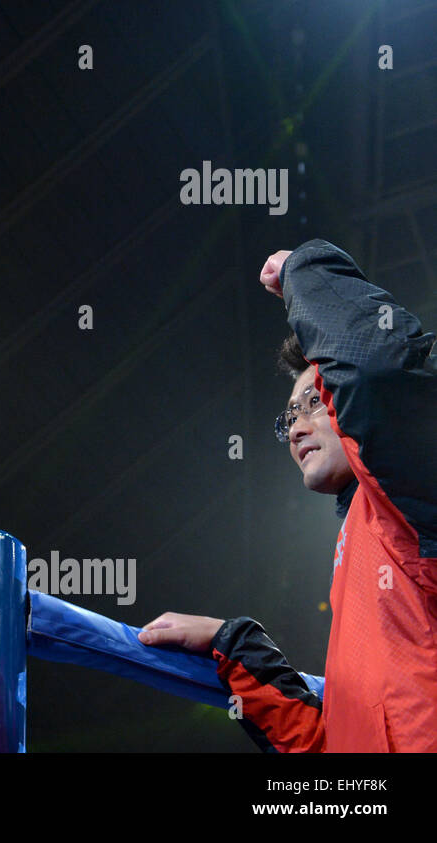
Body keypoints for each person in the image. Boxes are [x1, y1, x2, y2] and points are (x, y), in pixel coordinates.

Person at [139, 239, 437, 752]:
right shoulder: (360, 546)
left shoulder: (412, 492)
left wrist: (306, 271)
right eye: (288, 417)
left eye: (314, 402)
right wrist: (234, 646)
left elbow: (379, 373)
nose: (296, 428)